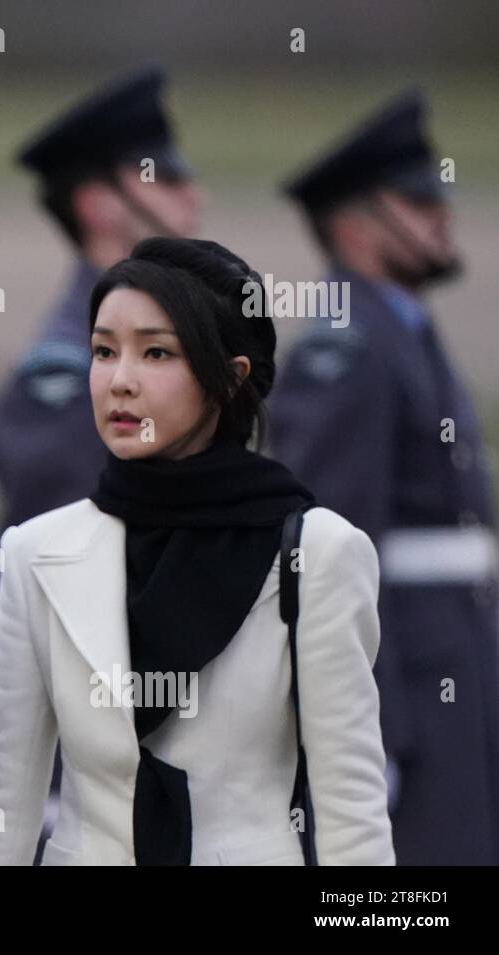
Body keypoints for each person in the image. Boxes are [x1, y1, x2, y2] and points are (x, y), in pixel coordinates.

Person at [0, 238, 393, 865]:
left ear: (230, 377)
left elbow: (352, 814)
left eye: (156, 352)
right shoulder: (37, 552)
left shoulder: (318, 552)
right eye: (104, 351)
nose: (120, 381)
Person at [269, 90, 499, 865]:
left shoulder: (400, 328)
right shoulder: (347, 349)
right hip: (406, 706)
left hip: (455, 685)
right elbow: (331, 557)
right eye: (418, 201)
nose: (443, 216)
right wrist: (366, 733)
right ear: (356, 225)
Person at [0, 66, 204, 636]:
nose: (194, 197)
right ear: (99, 205)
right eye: (167, 178)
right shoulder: (63, 379)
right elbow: (54, 596)